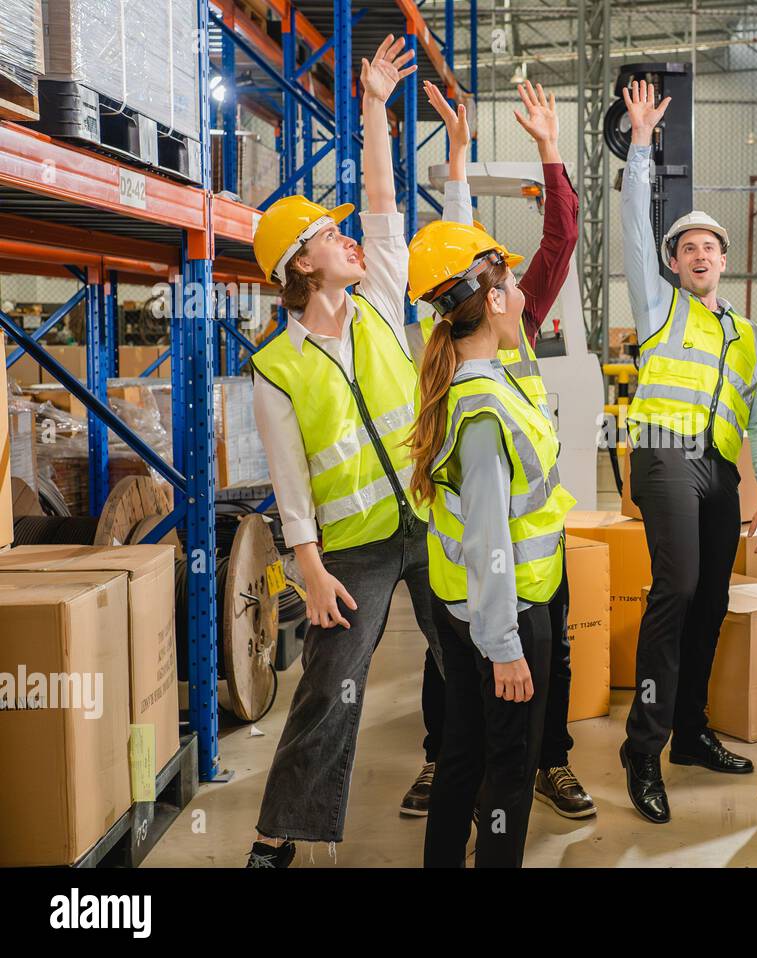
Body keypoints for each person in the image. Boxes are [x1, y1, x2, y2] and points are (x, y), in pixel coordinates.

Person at [244, 37, 430, 868]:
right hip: (349, 551)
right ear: (301, 266)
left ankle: (460, 786)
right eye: (331, 236)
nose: (352, 240)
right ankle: (276, 837)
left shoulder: (384, 301)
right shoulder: (277, 369)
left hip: (428, 524)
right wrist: (308, 570)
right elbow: (291, 488)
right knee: (330, 691)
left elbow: (385, 203)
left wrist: (375, 110)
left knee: (467, 660)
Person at [401, 79, 595, 821]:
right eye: (498, 277)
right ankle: (443, 759)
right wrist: (457, 160)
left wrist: (550, 149)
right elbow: (451, 257)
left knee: (549, 651)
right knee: (452, 653)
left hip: (530, 536)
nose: (512, 285)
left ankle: (551, 762)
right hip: (481, 538)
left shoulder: (521, 311)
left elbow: (561, 237)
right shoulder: (449, 336)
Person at [618, 79, 757, 824]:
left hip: (718, 470)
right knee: (678, 590)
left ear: (723, 259)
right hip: (660, 453)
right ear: (674, 263)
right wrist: (643, 144)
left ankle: (690, 735)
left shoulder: (747, 336)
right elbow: (630, 221)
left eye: (709, 245)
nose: (698, 254)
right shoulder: (657, 310)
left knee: (712, 598)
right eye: (686, 247)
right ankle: (641, 750)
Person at [406, 221, 576, 868]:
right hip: (503, 617)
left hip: (463, 609)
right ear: (496, 299)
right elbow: (487, 539)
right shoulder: (482, 412)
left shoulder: (475, 382)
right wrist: (504, 648)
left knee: (463, 756)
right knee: (506, 773)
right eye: (512, 286)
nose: (525, 299)